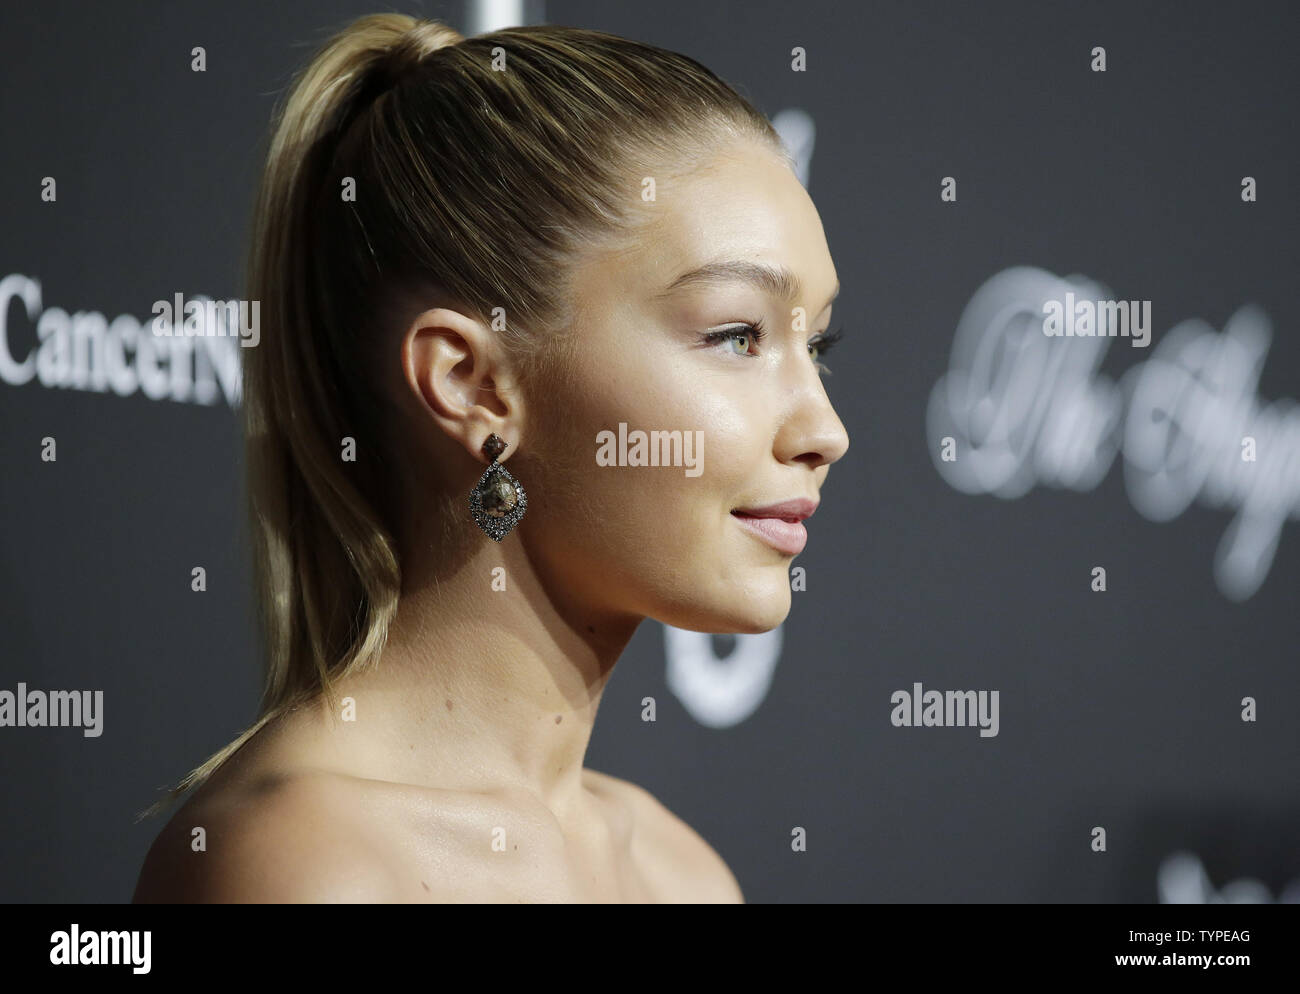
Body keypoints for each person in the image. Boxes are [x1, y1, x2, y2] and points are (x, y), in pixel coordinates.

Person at [132, 12, 849, 903]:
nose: (825, 429)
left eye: (816, 344)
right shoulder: (308, 867)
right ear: (472, 384)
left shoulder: (680, 873)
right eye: (737, 334)